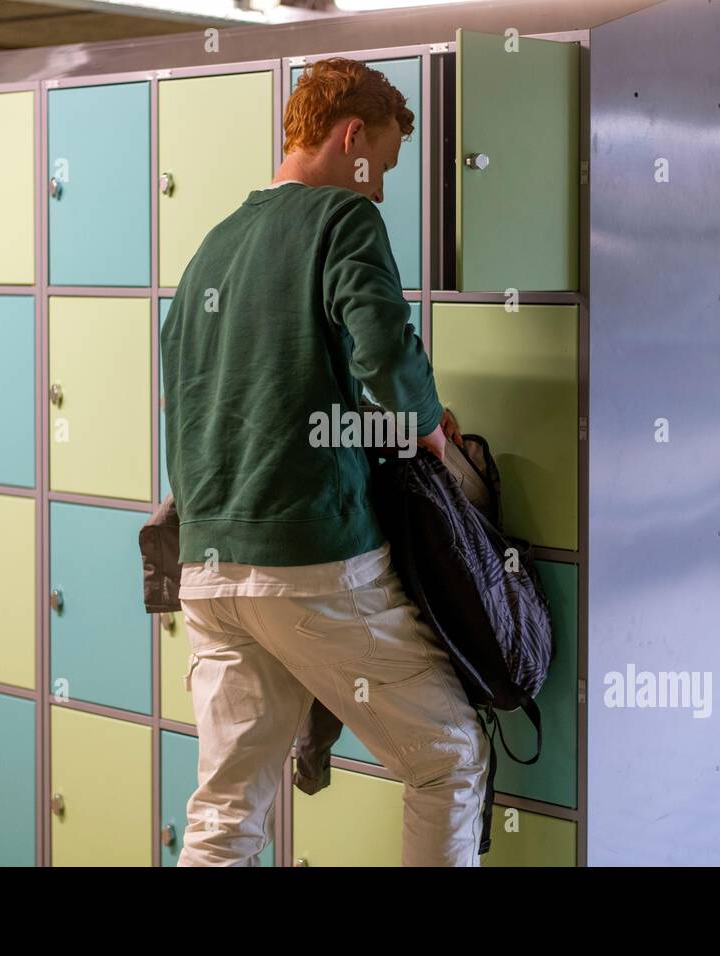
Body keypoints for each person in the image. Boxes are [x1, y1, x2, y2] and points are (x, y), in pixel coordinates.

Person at [161, 57, 489, 867]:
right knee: (448, 757)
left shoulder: (213, 247)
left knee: (225, 811)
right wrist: (427, 430)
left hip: (209, 569)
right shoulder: (343, 219)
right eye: (384, 167)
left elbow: (242, 402)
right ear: (351, 139)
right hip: (310, 560)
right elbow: (384, 352)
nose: (380, 192)